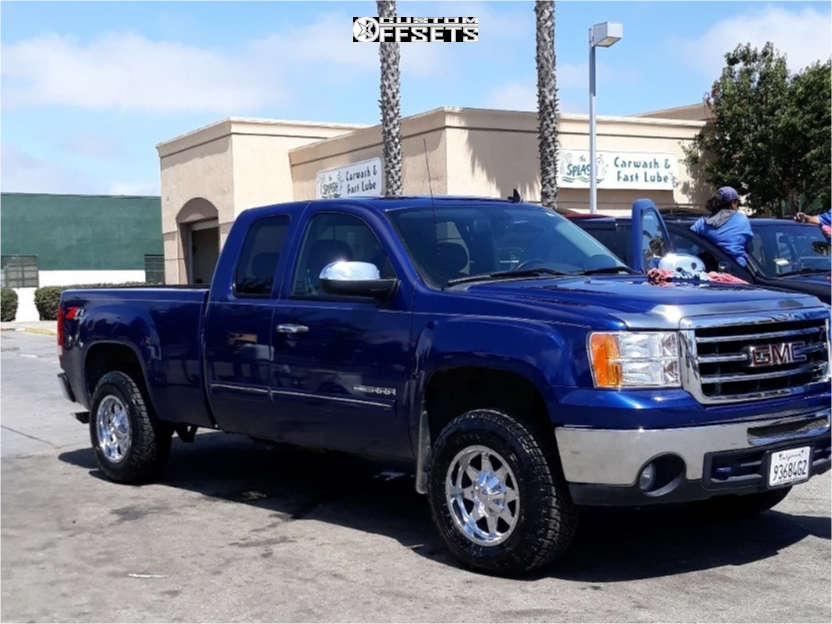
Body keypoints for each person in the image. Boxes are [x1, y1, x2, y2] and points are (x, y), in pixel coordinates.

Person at [690, 186, 753, 268]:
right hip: (738, 270)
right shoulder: (742, 220)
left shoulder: (702, 222)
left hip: (709, 271)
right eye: (737, 202)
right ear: (733, 203)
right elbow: (749, 245)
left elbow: (687, 240)